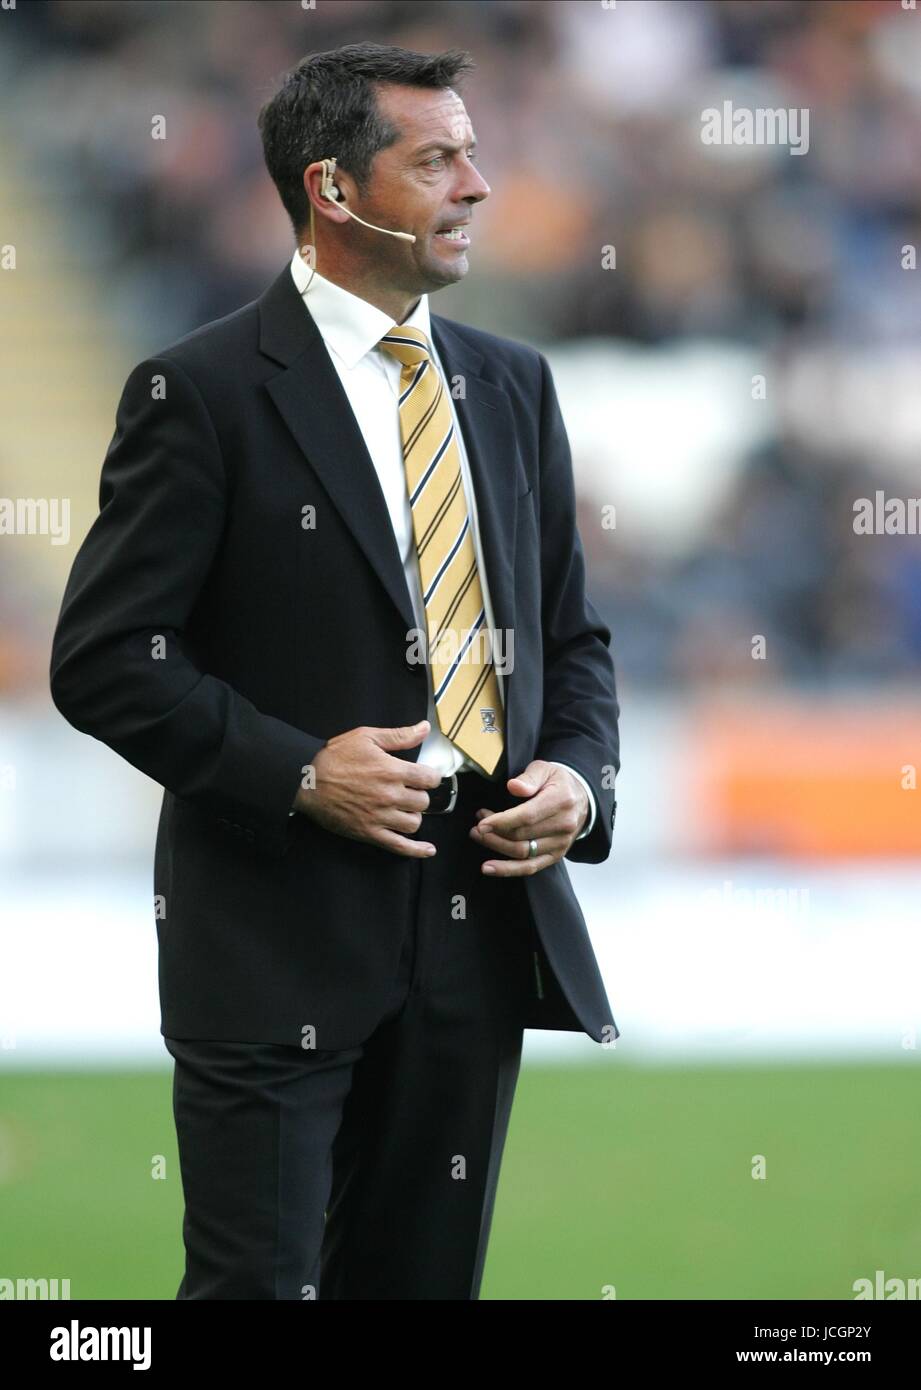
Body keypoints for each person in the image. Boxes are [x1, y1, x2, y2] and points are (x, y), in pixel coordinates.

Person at [49, 41, 621, 1301]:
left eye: (475, 153)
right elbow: (104, 659)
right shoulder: (197, 391)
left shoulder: (513, 386)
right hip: (273, 940)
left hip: (479, 926)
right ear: (336, 190)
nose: (479, 183)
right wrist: (302, 771)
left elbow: (572, 639)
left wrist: (582, 777)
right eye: (439, 159)